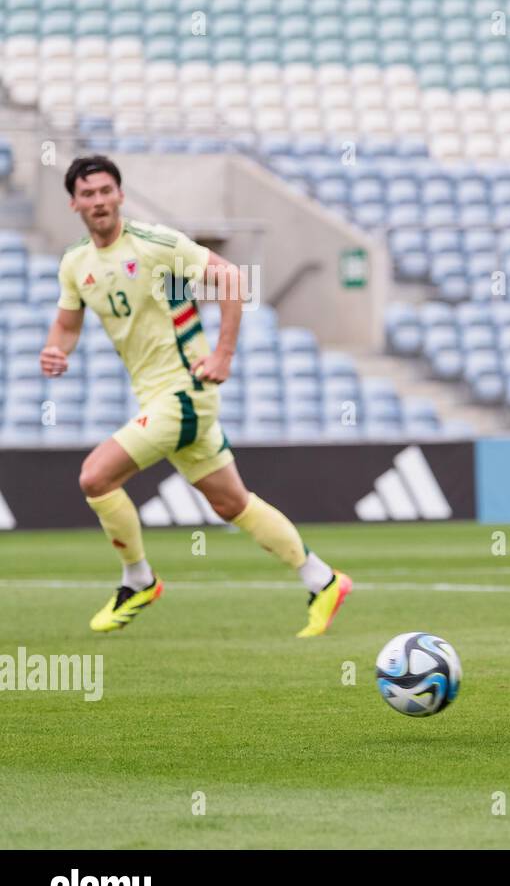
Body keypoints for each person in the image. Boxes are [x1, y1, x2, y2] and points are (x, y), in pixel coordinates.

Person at [41, 155, 351, 636]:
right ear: (73, 203)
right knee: (232, 504)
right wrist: (55, 352)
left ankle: (138, 580)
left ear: (121, 195)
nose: (98, 200)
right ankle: (323, 579)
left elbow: (231, 277)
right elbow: (66, 324)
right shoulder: (76, 263)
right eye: (88, 194)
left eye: (106, 190)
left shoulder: (154, 244)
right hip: (158, 399)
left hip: (186, 391)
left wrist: (224, 353)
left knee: (95, 478)